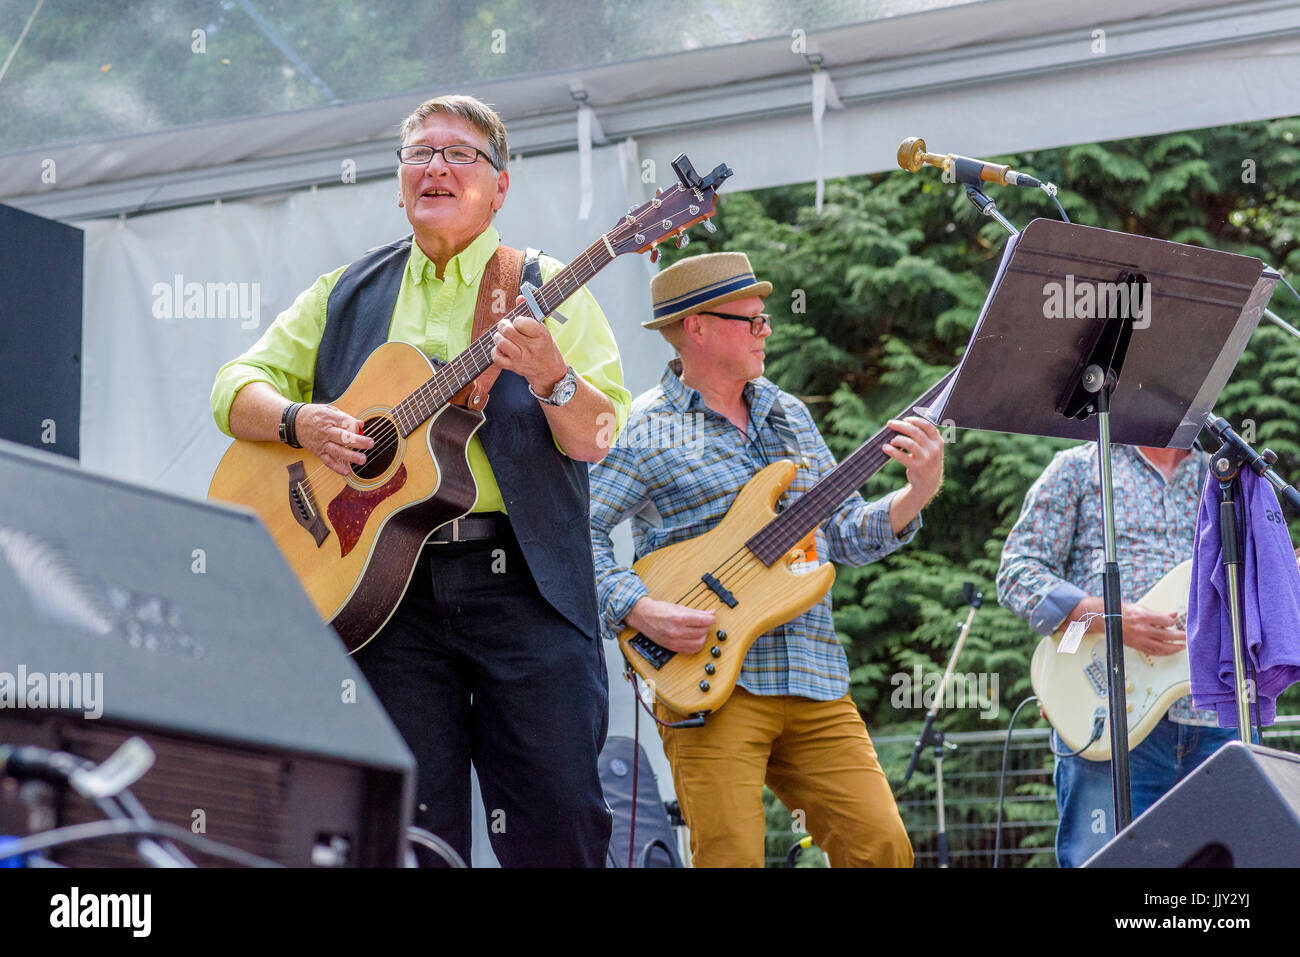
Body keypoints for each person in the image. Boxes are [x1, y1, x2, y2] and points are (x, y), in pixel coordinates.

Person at [210, 94, 630, 866]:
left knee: (559, 820)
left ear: (500, 186)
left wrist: (554, 378)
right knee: (406, 832)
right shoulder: (345, 291)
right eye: (420, 153)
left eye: (460, 153)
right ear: (400, 180)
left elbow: (599, 439)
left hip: (525, 588)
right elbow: (234, 386)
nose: (435, 165)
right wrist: (302, 422)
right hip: (383, 599)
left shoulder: (549, 286)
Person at [588, 251, 944, 867]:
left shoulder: (790, 416)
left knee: (882, 847)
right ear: (697, 327)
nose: (767, 331)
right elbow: (576, 533)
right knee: (730, 860)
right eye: (751, 320)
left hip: (811, 674)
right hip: (706, 683)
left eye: (765, 319)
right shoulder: (645, 428)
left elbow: (844, 533)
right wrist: (638, 610)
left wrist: (916, 493)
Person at [997, 442, 1236, 867]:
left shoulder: (1228, 480)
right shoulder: (1078, 467)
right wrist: (1106, 617)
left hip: (1217, 716)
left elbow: (1256, 585)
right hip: (1109, 718)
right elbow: (1017, 573)